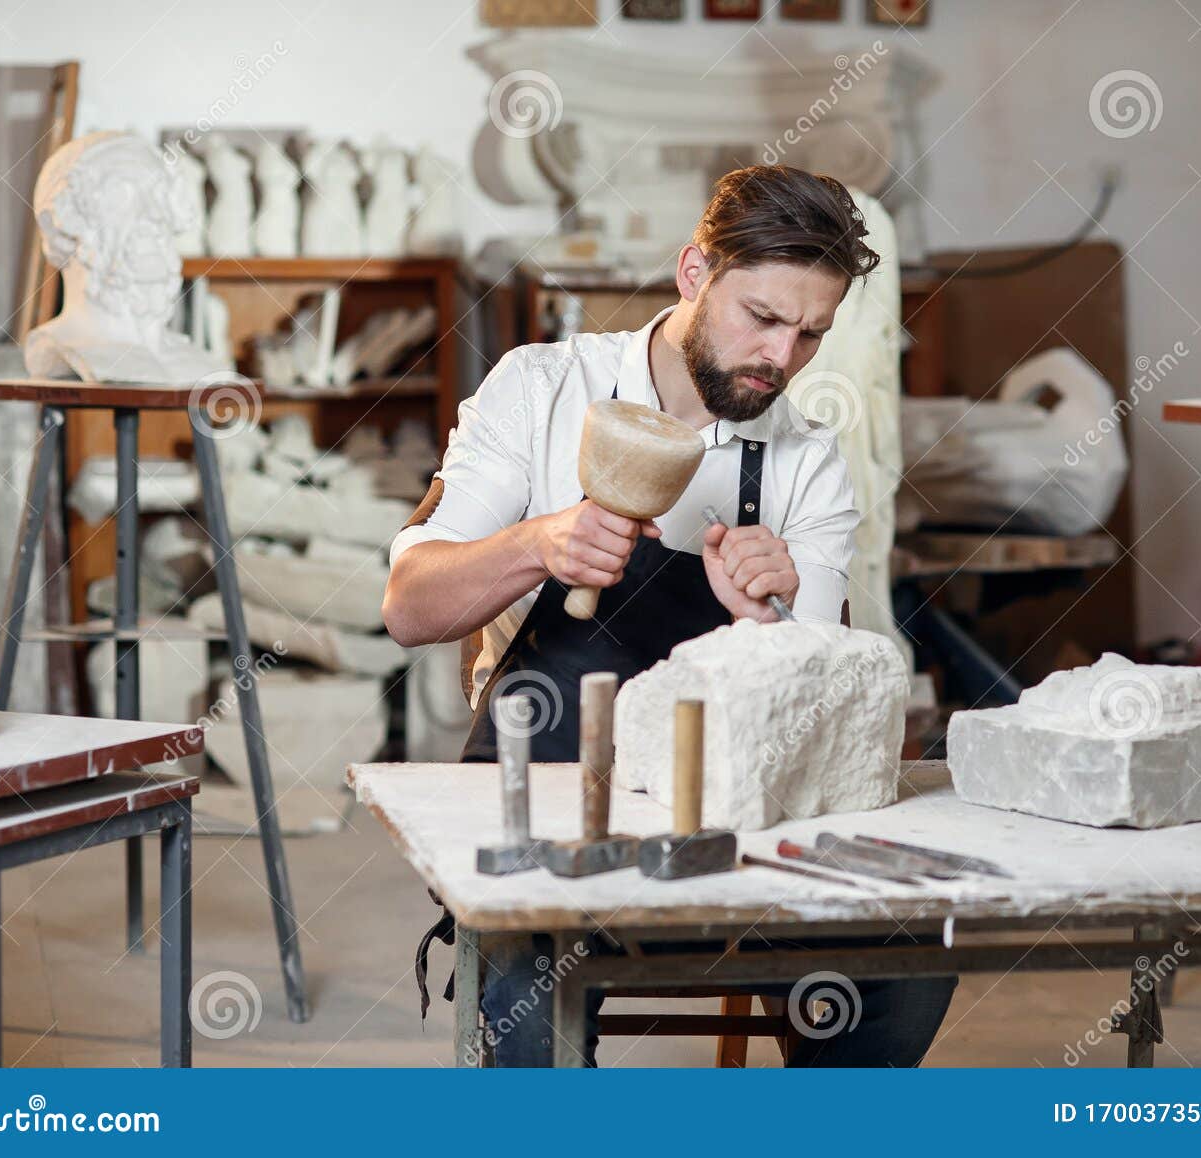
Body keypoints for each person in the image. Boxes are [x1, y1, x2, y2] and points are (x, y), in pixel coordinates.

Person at [383, 165, 955, 1066]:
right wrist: (538, 545)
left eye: (811, 334)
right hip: (561, 820)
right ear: (695, 273)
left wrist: (767, 624)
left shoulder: (805, 458)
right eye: (762, 318)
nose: (781, 357)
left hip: (730, 829)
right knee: (524, 1005)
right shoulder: (541, 387)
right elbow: (410, 609)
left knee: (905, 970)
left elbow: (816, 715)